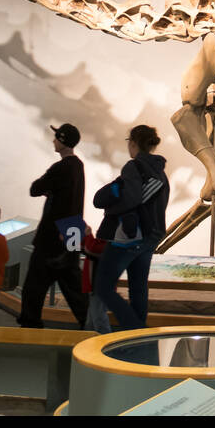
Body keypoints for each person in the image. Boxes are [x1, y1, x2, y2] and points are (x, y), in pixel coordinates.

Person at [92, 124, 170, 331]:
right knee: (138, 287)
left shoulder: (133, 166)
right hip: (151, 236)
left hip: (130, 236)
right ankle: (137, 338)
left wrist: (112, 210)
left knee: (103, 286)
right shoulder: (160, 170)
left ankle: (134, 327)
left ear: (133, 143)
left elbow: (132, 197)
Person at [17, 123, 90, 328]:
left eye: (56, 137)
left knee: (35, 282)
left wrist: (48, 190)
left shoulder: (61, 167)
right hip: (72, 227)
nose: (53, 140)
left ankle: (30, 322)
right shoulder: (78, 166)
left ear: (63, 140)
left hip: (54, 233)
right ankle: (90, 322)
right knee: (72, 282)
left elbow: (35, 188)